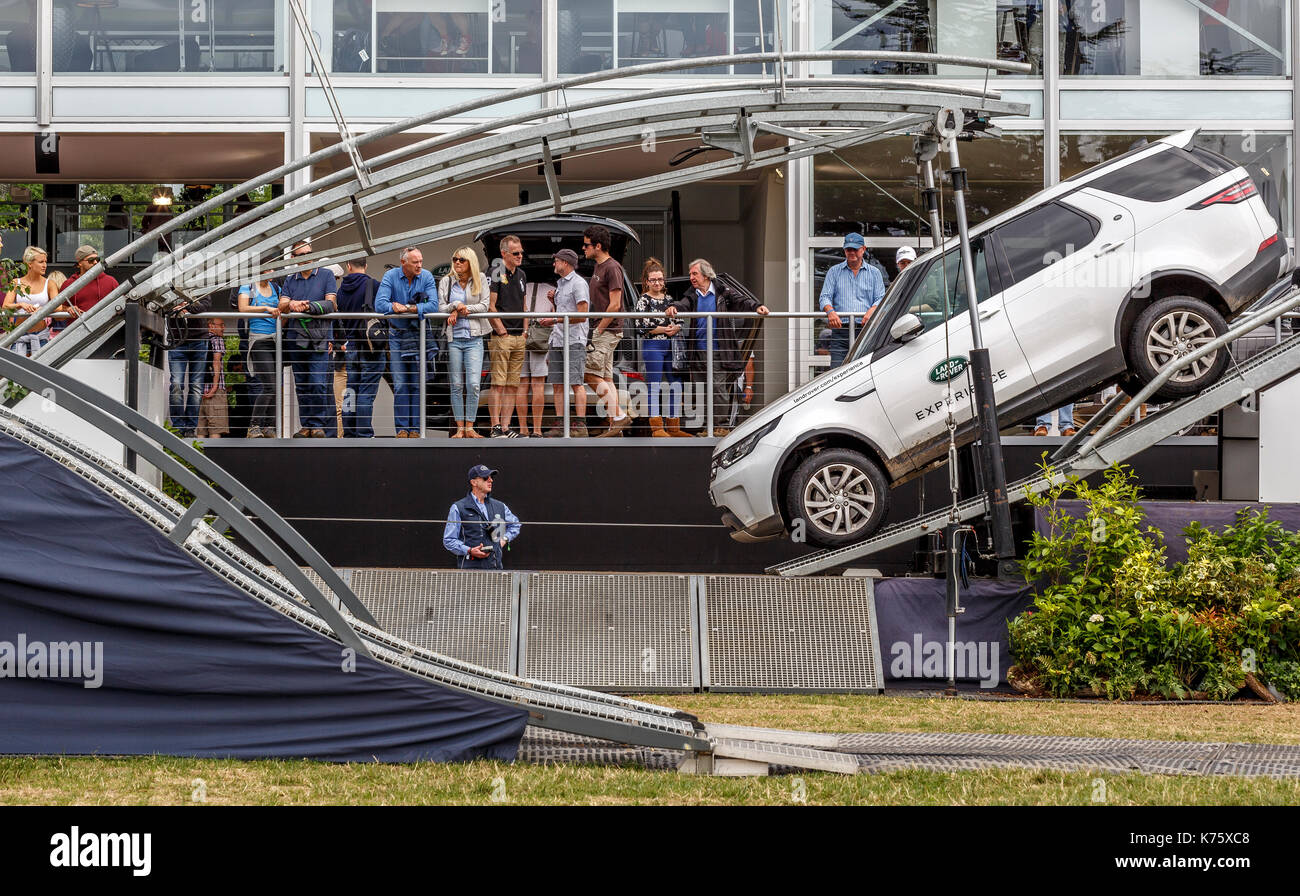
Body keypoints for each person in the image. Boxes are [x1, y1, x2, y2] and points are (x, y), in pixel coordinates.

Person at [666, 258, 769, 437]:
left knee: (718, 388)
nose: (691, 277)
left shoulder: (722, 291)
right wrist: (674, 307)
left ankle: (720, 426)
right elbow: (683, 303)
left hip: (717, 349)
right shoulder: (693, 293)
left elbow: (741, 300)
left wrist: (757, 306)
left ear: (706, 275)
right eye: (691, 274)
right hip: (697, 350)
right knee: (702, 388)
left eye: (694, 273)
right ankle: (708, 427)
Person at [375, 246, 438, 438]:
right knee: (401, 383)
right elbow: (380, 304)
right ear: (403, 263)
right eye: (415, 262)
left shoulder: (426, 276)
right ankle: (402, 429)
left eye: (421, 261)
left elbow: (434, 305)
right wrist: (394, 307)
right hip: (397, 336)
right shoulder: (391, 276)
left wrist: (408, 309)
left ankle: (416, 430)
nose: (419, 265)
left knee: (417, 384)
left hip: (418, 335)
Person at [279, 240, 338, 438]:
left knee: (318, 382)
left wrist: (307, 307)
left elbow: (331, 305)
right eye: (302, 254)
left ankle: (318, 424)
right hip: (296, 339)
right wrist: (292, 304)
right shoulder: (290, 279)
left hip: (319, 338)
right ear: (293, 258)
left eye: (309, 253)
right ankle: (307, 425)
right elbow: (282, 305)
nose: (308, 257)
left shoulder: (326, 275)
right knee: (302, 384)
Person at [582, 224, 631, 438]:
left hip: (607, 330)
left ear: (598, 246)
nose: (583, 248)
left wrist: (598, 330)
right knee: (606, 377)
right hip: (603, 329)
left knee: (589, 373)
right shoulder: (598, 267)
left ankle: (619, 416)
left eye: (586, 245)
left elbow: (615, 304)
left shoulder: (612, 268)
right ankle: (615, 424)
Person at [438, 247, 492, 439]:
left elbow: (484, 305)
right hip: (454, 339)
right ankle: (460, 428)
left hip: (474, 338)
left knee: (474, 384)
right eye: (455, 259)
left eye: (461, 260)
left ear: (470, 262)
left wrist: (462, 309)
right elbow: (441, 306)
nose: (457, 263)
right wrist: (455, 306)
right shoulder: (447, 281)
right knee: (457, 383)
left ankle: (470, 427)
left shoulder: (481, 279)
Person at [635, 257, 688, 437]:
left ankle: (674, 426)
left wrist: (676, 327)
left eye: (660, 279)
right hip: (653, 345)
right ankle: (657, 426)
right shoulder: (643, 300)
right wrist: (663, 328)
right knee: (654, 385)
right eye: (653, 280)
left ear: (663, 280)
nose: (657, 282)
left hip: (671, 345)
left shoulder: (669, 299)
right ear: (647, 281)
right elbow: (641, 326)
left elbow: (680, 320)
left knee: (676, 383)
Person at [539, 248, 589, 437]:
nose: (554, 263)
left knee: (576, 383)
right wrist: (554, 303)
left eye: (556, 260)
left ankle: (580, 425)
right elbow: (563, 312)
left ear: (566, 263)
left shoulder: (578, 284)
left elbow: (583, 315)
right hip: (558, 339)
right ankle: (560, 424)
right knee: (557, 384)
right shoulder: (560, 284)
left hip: (574, 340)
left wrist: (554, 320)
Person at [334, 257, 385, 438]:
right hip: (371, 346)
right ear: (366, 265)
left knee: (350, 391)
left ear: (348, 266)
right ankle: (364, 434)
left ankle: (349, 433)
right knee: (366, 392)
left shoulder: (340, 291)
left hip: (351, 346)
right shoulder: (374, 285)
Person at [818, 232, 884, 368]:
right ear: (844, 250)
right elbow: (824, 297)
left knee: (865, 371)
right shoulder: (834, 272)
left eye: (855, 249)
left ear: (863, 249)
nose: (852, 252)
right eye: (849, 249)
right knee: (836, 371)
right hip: (840, 331)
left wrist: (872, 309)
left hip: (866, 330)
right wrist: (830, 312)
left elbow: (881, 298)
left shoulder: (875, 273)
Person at [443, 464, 521, 570]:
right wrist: (469, 550)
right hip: (469, 571)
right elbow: (449, 540)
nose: (490, 480)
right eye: (485, 478)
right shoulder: (458, 507)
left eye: (491, 477)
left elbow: (515, 524)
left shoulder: (500, 506)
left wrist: (504, 539)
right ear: (473, 482)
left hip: (496, 568)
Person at [487, 234, 527, 438]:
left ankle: (506, 427)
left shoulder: (521, 274)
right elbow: (490, 305)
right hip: (502, 337)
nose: (520, 256)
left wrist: (526, 331)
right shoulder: (496, 271)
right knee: (498, 384)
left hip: (520, 337)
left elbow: (524, 305)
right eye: (516, 253)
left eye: (521, 252)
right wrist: (501, 330)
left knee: (512, 384)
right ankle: (495, 427)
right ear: (504, 253)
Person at [166, 279, 214, 439]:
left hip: (199, 340)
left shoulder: (201, 284)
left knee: (196, 386)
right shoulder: (168, 284)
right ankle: (179, 426)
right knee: (176, 385)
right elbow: (165, 306)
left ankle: (190, 428)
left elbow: (204, 305)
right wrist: (189, 306)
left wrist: (184, 307)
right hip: (177, 340)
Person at [237, 267, 281, 438]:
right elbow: (243, 308)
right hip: (259, 340)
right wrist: (265, 309)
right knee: (269, 385)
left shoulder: (276, 288)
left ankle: (269, 427)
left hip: (276, 340)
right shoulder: (248, 286)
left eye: (272, 270)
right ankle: (254, 426)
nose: (270, 273)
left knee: (277, 386)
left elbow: (283, 308)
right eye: (267, 270)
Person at [52, 245, 119, 336]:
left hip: (106, 334)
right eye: (91, 260)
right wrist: (68, 309)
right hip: (77, 335)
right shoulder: (69, 284)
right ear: (80, 263)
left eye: (98, 259)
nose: (95, 262)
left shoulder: (111, 281)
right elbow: (58, 317)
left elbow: (121, 306)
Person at [3, 245, 56, 358]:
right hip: (19, 337)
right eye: (41, 262)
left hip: (40, 336)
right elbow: (5, 306)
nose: (45, 265)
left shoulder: (50, 283)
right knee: (16, 373)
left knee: (41, 372)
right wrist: (20, 305)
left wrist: (45, 309)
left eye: (45, 262)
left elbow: (58, 306)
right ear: (29, 264)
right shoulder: (15, 282)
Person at [520, 274, 554, 438]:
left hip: (520, 336)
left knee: (522, 384)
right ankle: (537, 430)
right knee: (538, 385)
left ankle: (522, 429)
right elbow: (557, 317)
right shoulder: (552, 290)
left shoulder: (522, 287)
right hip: (541, 339)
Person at [197, 317, 229, 439]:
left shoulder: (198, 340)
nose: (223, 328)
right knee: (216, 428)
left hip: (199, 390)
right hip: (214, 390)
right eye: (221, 325)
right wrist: (215, 387)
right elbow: (216, 362)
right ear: (211, 326)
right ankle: (213, 458)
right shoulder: (217, 339)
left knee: (201, 428)